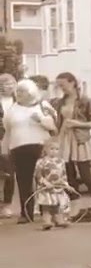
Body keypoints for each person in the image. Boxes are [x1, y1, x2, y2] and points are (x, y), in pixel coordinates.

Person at [51, 72, 91, 220]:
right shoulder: (60, 102)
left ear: (72, 83)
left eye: (63, 85)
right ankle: (75, 207)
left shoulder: (85, 101)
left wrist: (76, 123)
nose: (61, 88)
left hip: (80, 140)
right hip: (65, 140)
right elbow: (58, 122)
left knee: (86, 175)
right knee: (69, 176)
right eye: (59, 86)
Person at [2, 79, 57, 224]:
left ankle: (49, 211)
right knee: (23, 181)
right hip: (18, 148)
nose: (19, 94)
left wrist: (40, 120)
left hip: (40, 146)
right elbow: (8, 130)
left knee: (44, 179)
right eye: (18, 91)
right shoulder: (13, 109)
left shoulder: (42, 105)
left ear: (31, 92)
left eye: (23, 91)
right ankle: (26, 212)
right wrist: (5, 149)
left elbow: (53, 126)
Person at [33, 140, 72, 230]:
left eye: (57, 149)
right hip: (46, 187)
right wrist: (45, 183)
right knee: (46, 206)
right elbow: (38, 175)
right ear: (46, 149)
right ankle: (47, 221)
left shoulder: (61, 162)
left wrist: (66, 184)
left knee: (58, 205)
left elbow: (63, 174)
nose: (54, 151)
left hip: (58, 187)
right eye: (52, 149)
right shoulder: (41, 162)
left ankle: (59, 220)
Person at [0, 73, 17, 219]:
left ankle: (7, 204)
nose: (9, 87)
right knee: (3, 174)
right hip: (1, 140)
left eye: (12, 83)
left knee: (11, 174)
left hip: (16, 140)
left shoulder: (20, 100)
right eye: (6, 84)